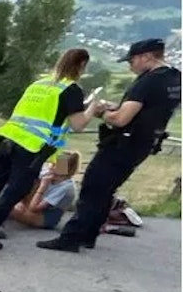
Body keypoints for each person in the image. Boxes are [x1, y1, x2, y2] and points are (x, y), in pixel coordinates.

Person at [38, 38, 182, 252]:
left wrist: (100, 111)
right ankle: (88, 235)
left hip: (123, 142)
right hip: (145, 142)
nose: (130, 66)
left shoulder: (148, 81)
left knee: (93, 187)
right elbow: (147, 110)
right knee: (106, 190)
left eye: (132, 61)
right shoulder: (174, 78)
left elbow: (121, 119)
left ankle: (70, 238)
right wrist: (117, 106)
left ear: (146, 57)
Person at [0, 48, 99, 250]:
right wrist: (93, 108)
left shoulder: (39, 84)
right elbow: (78, 124)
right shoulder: (71, 89)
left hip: (7, 140)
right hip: (31, 149)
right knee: (13, 193)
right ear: (81, 65)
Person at [9, 151, 80, 229]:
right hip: (31, 205)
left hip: (45, 217)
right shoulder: (48, 173)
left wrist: (43, 186)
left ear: (67, 169)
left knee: (8, 208)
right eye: (52, 163)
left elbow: (33, 208)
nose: (50, 167)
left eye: (55, 165)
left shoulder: (65, 187)